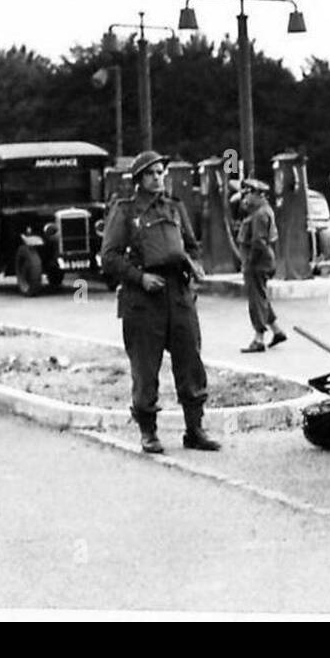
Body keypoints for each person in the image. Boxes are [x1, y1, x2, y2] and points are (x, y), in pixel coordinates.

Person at [100, 150, 222, 452]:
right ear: (139, 179)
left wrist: (195, 265)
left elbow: (192, 246)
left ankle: (195, 429)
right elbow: (109, 256)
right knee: (145, 367)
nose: (158, 177)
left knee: (191, 361)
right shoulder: (126, 211)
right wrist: (139, 278)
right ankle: (148, 431)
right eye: (152, 173)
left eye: (161, 172)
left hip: (178, 294)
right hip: (143, 297)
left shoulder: (175, 208)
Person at [236, 179, 287, 353]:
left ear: (258, 195)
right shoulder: (260, 211)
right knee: (261, 296)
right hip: (261, 261)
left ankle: (258, 338)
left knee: (255, 300)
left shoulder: (260, 214)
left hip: (257, 263)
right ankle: (277, 330)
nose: (245, 199)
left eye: (248, 194)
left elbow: (258, 242)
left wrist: (249, 262)